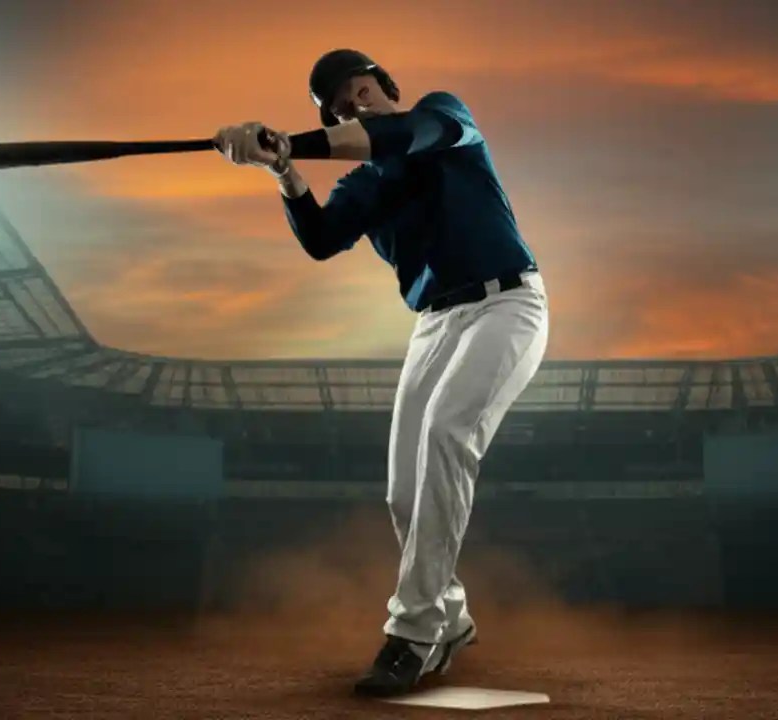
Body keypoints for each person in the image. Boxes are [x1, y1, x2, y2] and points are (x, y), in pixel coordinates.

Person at [214, 48, 549, 697]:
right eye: (339, 106)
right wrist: (281, 167)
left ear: (383, 85)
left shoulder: (441, 116)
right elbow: (318, 238)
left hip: (507, 303)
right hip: (434, 324)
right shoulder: (364, 183)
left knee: (448, 435)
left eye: (358, 91)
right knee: (403, 490)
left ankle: (413, 634)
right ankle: (449, 615)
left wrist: (294, 142)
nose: (352, 105)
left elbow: (397, 135)